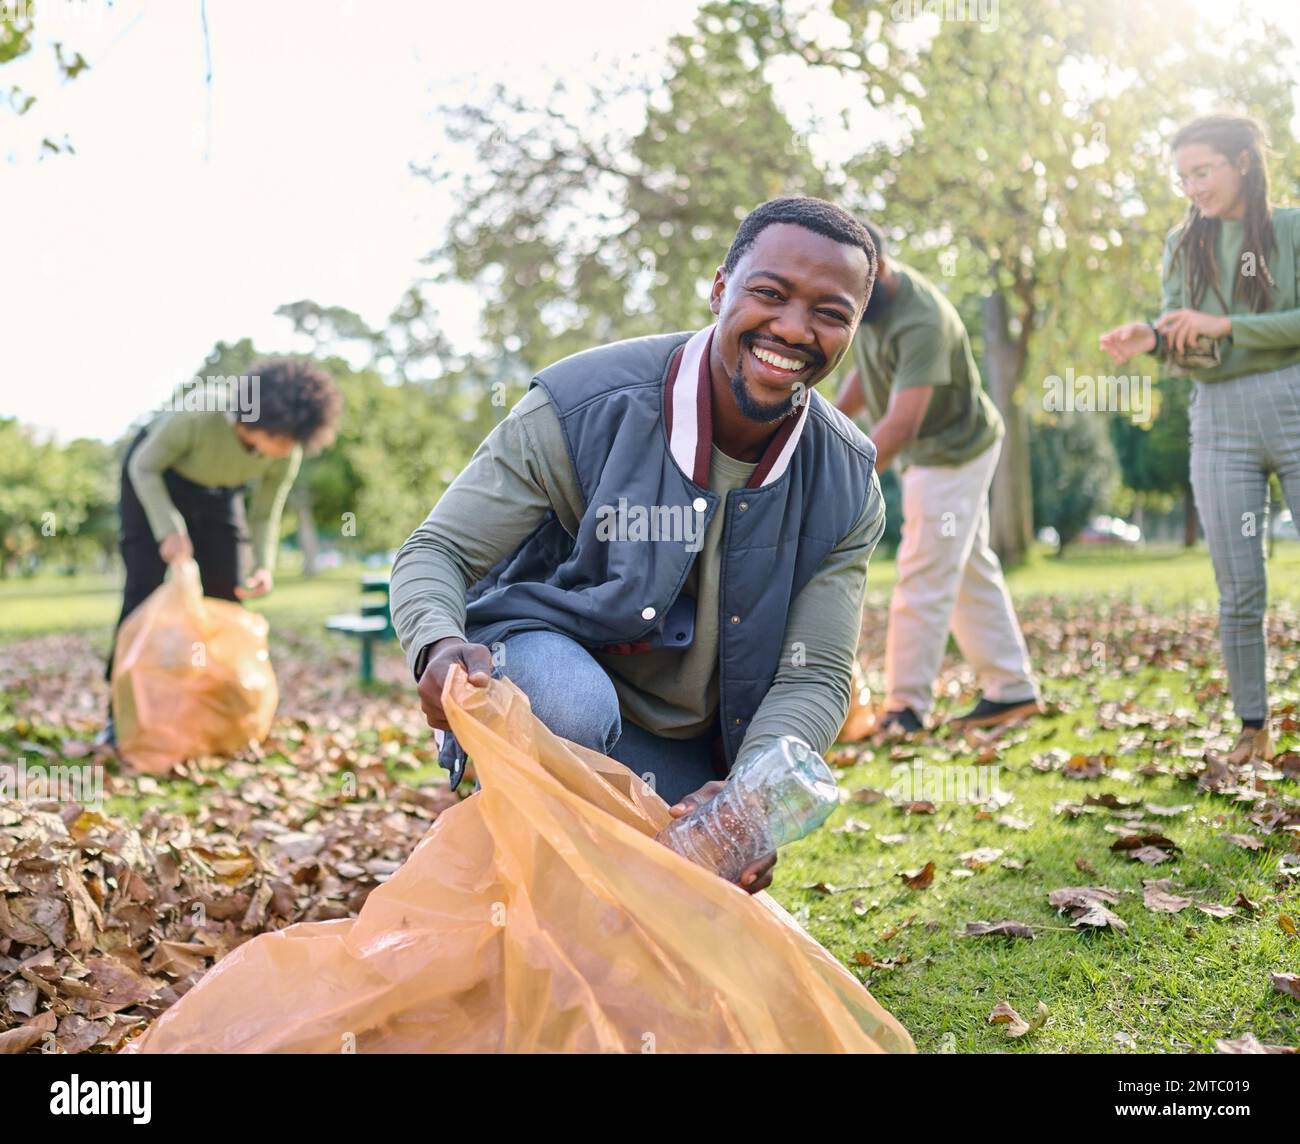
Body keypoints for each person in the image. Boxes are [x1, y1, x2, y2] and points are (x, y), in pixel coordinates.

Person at [391, 197, 885, 894]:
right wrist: (439, 645)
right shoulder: (581, 406)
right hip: (546, 678)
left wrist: (751, 799)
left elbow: (815, 675)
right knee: (568, 707)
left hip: (685, 742)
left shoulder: (846, 481)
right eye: (769, 294)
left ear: (854, 329)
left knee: (677, 906)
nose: (793, 328)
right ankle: (523, 870)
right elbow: (435, 550)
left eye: (830, 313)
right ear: (720, 290)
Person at [1101, 114, 1300, 765]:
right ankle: (1253, 728)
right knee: (1239, 585)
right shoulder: (1182, 244)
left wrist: (1226, 324)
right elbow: (1190, 348)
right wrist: (1155, 340)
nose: (1193, 187)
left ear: (1243, 161)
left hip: (1292, 402)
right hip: (1219, 423)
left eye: (1203, 170)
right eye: (1183, 176)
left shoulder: (1290, 229)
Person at [834, 221, 1041, 739]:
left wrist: (837, 475)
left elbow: (901, 424)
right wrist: (823, 424)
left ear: (878, 270)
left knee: (923, 570)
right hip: (936, 452)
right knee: (967, 568)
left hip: (952, 453)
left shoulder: (921, 319)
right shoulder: (867, 303)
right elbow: (863, 373)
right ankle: (1012, 689)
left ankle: (905, 709)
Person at [100, 358, 342, 744]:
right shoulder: (202, 413)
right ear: (254, 421)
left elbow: (264, 514)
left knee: (228, 593)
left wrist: (264, 564)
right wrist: (169, 529)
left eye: (292, 443)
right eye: (281, 440)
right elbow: (144, 467)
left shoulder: (285, 452)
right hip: (154, 479)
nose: (285, 451)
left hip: (218, 493)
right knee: (142, 592)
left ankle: (215, 712)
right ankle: (119, 717)